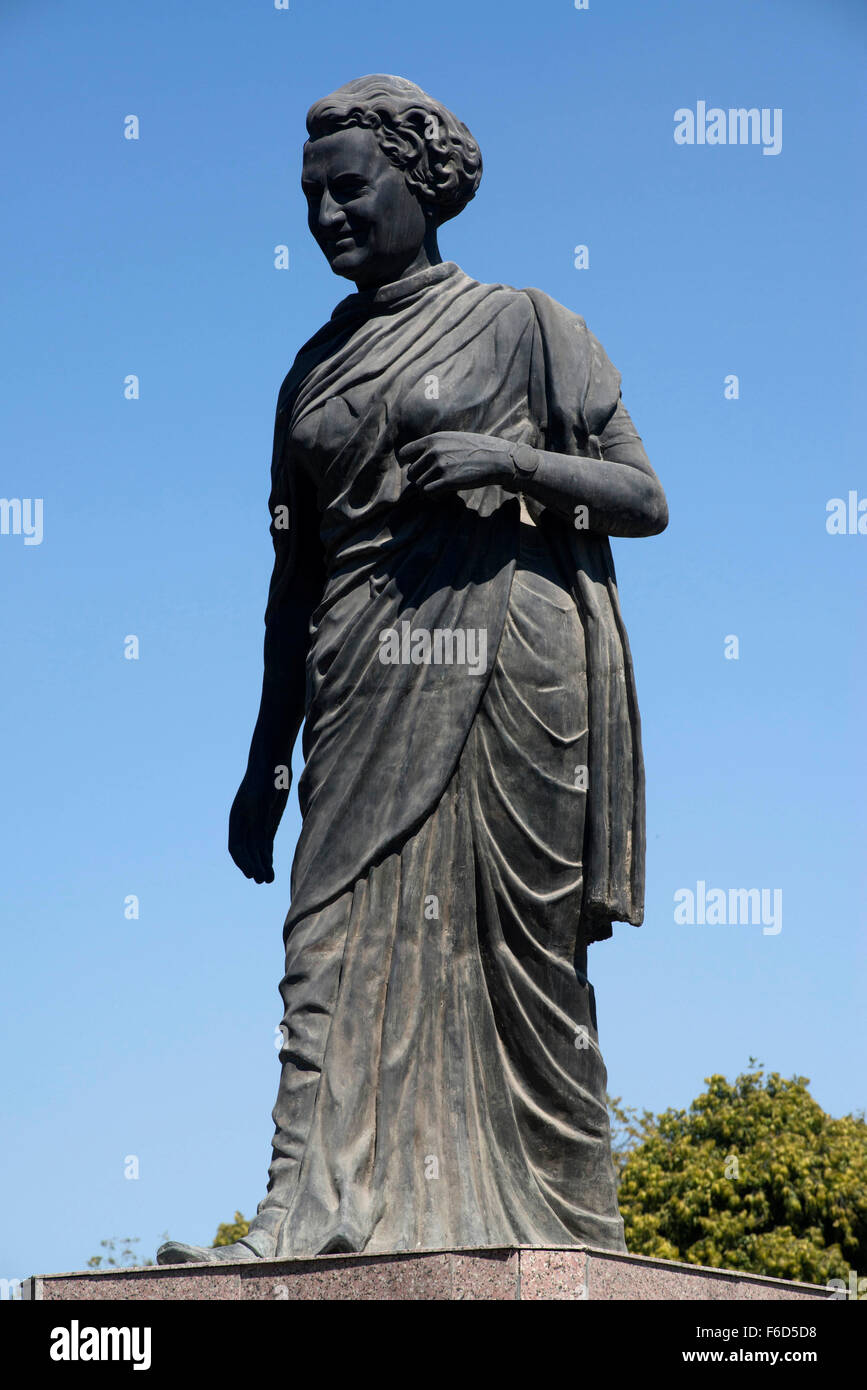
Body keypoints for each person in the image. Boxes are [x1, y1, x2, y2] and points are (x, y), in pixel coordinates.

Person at [158, 73, 667, 1264]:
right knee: (325, 930)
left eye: (350, 187)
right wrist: (264, 758)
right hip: (357, 671)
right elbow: (291, 581)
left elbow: (644, 497)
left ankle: (557, 1234)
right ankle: (300, 1217)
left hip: (512, 662)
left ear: (420, 179)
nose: (327, 215)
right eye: (310, 198)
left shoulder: (530, 324)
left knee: (519, 960)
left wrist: (513, 459)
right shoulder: (307, 376)